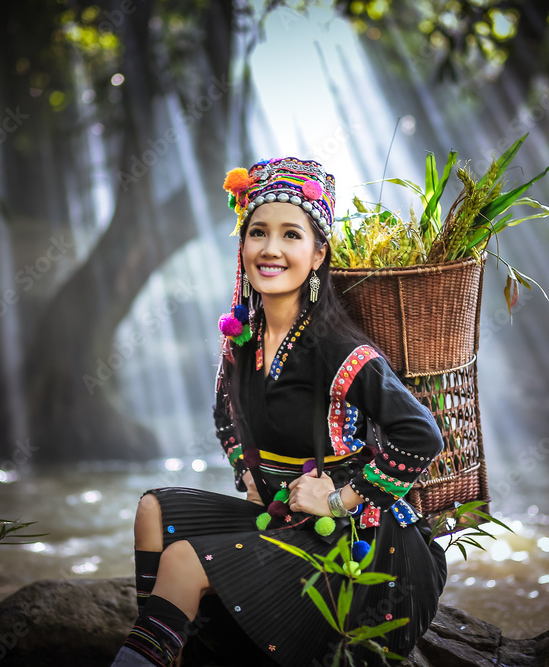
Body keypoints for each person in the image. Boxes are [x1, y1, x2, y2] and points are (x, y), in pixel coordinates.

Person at [111, 157, 448, 666]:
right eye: (258, 233)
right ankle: (168, 650)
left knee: (182, 558)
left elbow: (422, 436)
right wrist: (247, 471)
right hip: (287, 520)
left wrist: (339, 499)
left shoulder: (337, 347)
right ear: (242, 245)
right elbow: (224, 414)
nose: (270, 249)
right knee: (153, 512)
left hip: (364, 550)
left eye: (291, 235)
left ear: (317, 255)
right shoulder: (243, 341)